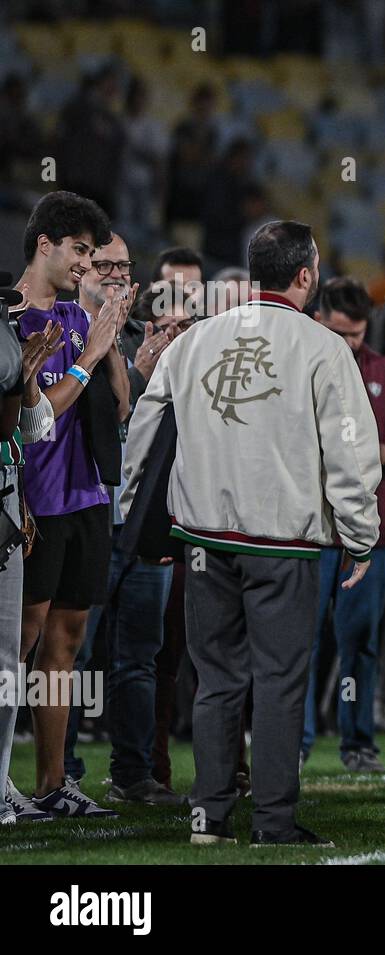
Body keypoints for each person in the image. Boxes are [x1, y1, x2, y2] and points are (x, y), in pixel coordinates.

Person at [122, 219, 380, 846]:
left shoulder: (192, 341)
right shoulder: (323, 348)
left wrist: (130, 507)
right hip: (283, 546)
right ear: (304, 276)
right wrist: (360, 534)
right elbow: (351, 454)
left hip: (205, 541)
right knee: (279, 683)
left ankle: (207, 818)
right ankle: (273, 822)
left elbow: (144, 429)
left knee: (215, 682)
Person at [13, 192, 129, 819]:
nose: (87, 263)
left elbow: (118, 409)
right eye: (80, 250)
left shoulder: (78, 317)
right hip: (33, 503)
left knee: (67, 640)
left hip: (86, 497)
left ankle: (53, 785)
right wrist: (87, 358)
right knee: (18, 643)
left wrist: (112, 345)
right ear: (45, 245)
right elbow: (37, 421)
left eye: (93, 252)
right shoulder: (11, 320)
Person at [61, 235, 187, 807]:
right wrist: (131, 377)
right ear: (81, 269)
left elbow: (161, 436)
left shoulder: (151, 341)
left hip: (137, 524)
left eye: (123, 267)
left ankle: (134, 775)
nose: (114, 276)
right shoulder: (60, 336)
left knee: (138, 656)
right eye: (103, 265)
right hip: (80, 517)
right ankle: (57, 774)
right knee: (70, 654)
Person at [301, 277, 385, 773]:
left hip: (370, 537)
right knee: (299, 644)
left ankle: (358, 744)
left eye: (356, 334)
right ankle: (296, 740)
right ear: (316, 321)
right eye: (338, 332)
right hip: (308, 531)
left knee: (360, 643)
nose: (348, 344)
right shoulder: (301, 369)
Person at [1, 277, 61, 823]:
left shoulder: (10, 344)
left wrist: (29, 383)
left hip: (6, 509)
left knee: (4, 659)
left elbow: (35, 428)